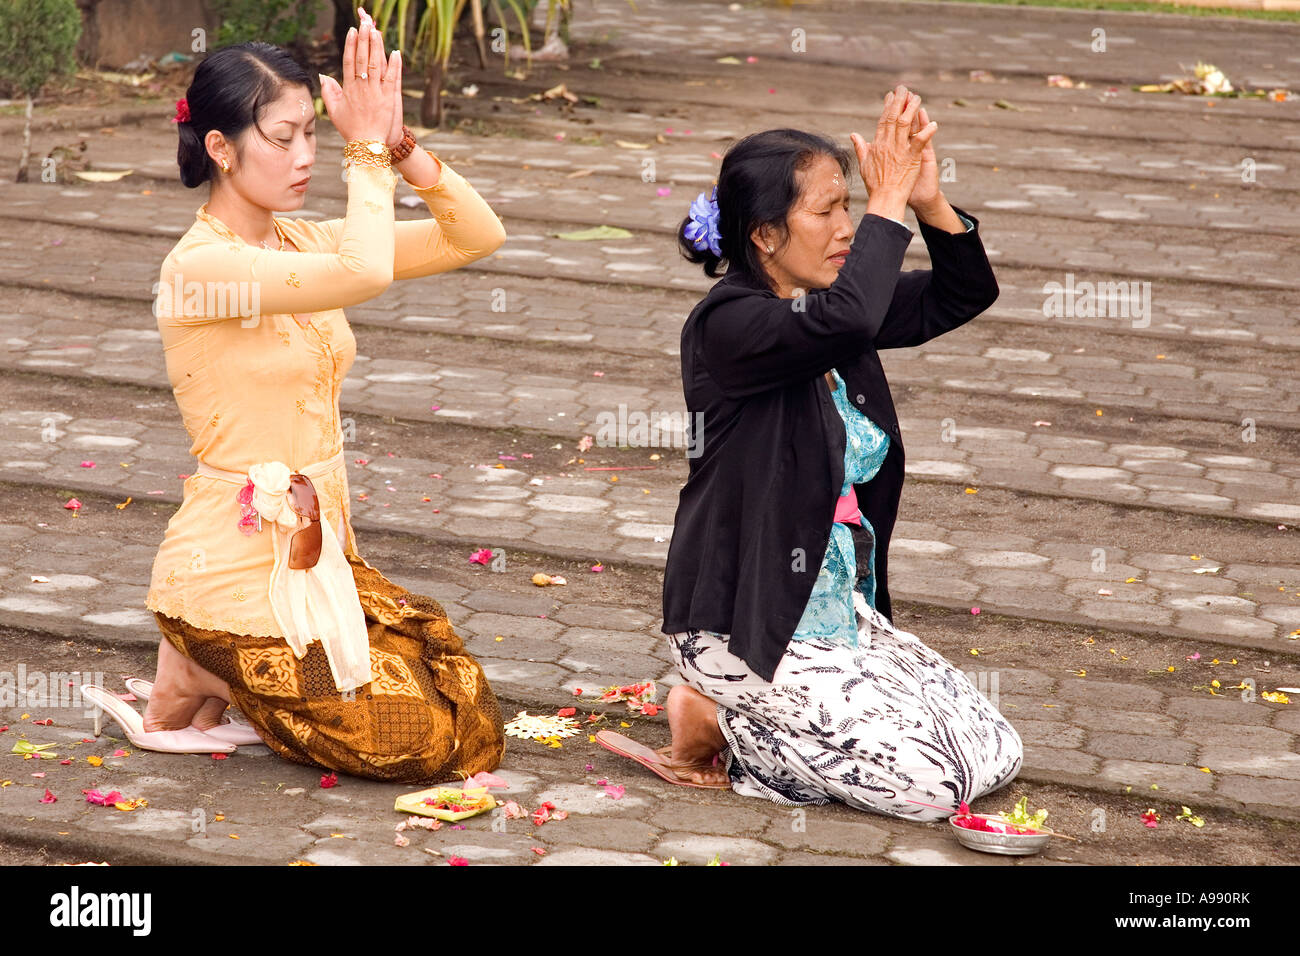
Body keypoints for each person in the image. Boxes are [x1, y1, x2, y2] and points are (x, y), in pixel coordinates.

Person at [86, 10, 507, 783]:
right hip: (230, 577)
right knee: (410, 738)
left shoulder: (302, 243)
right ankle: (196, 667)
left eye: (314, 133)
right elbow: (367, 272)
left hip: (318, 561)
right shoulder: (201, 268)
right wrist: (366, 152)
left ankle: (210, 681)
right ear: (220, 147)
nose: (306, 156)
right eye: (284, 138)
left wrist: (399, 142)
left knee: (466, 707)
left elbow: (474, 237)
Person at [598, 86, 1023, 822]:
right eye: (826, 211)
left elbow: (965, 292)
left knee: (993, 749)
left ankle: (734, 716)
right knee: (929, 790)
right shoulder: (730, 325)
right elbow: (851, 314)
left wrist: (925, 199)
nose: (847, 227)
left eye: (849, 206)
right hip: (743, 624)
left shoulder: (831, 303)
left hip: (840, 618)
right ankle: (723, 721)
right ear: (764, 235)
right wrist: (887, 195)